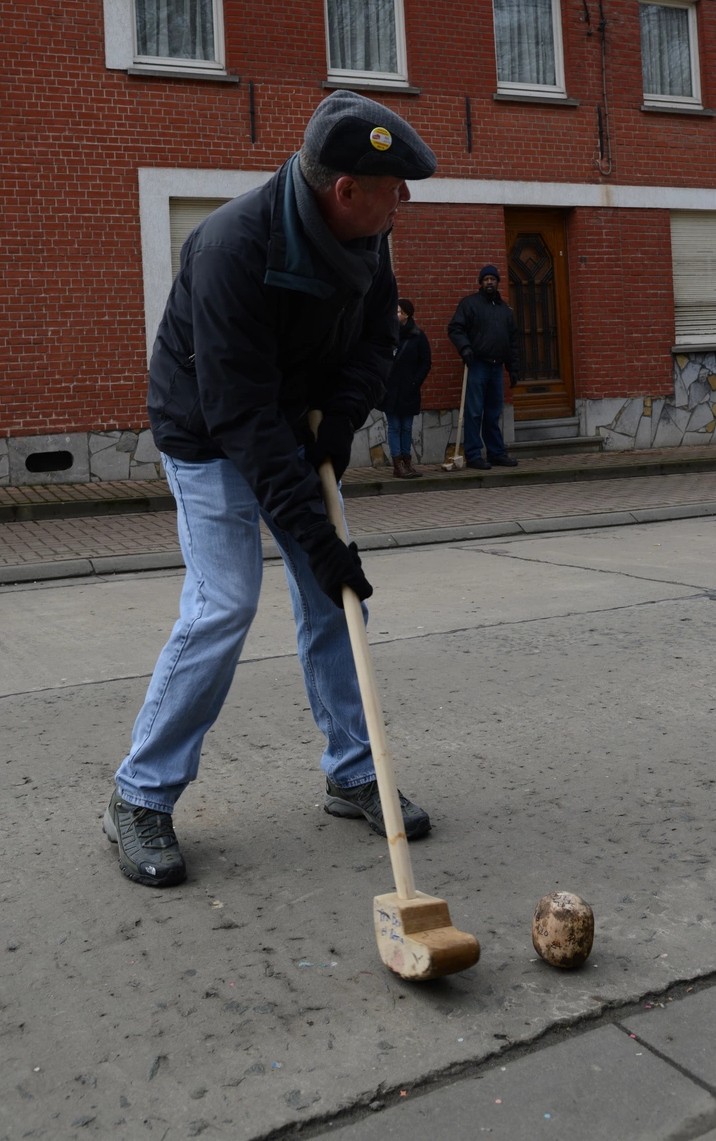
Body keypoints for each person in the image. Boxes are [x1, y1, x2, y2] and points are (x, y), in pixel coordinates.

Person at [104, 91, 437, 888]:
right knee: (225, 602)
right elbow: (240, 418)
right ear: (344, 189)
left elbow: (375, 338)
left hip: (290, 419)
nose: (408, 200)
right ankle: (139, 795)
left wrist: (341, 420)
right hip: (210, 431)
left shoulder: (370, 236)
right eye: (394, 188)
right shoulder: (230, 248)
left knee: (334, 602)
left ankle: (353, 770)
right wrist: (322, 544)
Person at [447, 265, 520, 470]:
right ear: (481, 282)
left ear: (498, 282)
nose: (489, 282)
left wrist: (513, 368)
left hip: (497, 368)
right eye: (486, 279)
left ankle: (496, 453)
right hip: (477, 364)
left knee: (493, 412)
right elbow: (455, 328)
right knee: (474, 412)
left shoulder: (504, 310)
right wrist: (465, 348)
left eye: (493, 279)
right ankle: (473, 454)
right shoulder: (469, 304)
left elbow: (512, 340)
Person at [380, 298, 431, 478]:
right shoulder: (388, 334)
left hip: (409, 390)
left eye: (399, 312)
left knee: (407, 427)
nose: (396, 315)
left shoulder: (418, 336)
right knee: (394, 426)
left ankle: (407, 463)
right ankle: (398, 465)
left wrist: (415, 382)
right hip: (391, 389)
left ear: (407, 315)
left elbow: (426, 362)